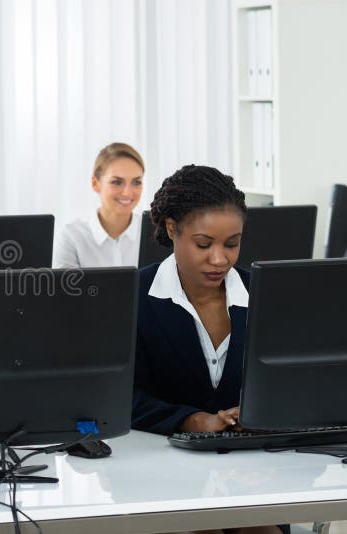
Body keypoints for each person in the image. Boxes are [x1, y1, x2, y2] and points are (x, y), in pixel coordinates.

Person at [132, 164, 287, 534]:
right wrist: (194, 420)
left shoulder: (266, 296)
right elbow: (121, 398)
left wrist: (257, 416)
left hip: (251, 474)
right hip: (159, 475)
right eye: (204, 244)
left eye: (232, 243)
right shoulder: (134, 298)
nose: (220, 259)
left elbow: (291, 386)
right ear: (172, 230)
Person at [54, 142, 144, 268]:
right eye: (117, 182)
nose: (127, 192)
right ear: (95, 183)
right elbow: (64, 287)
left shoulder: (156, 234)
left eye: (136, 182)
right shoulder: (71, 237)